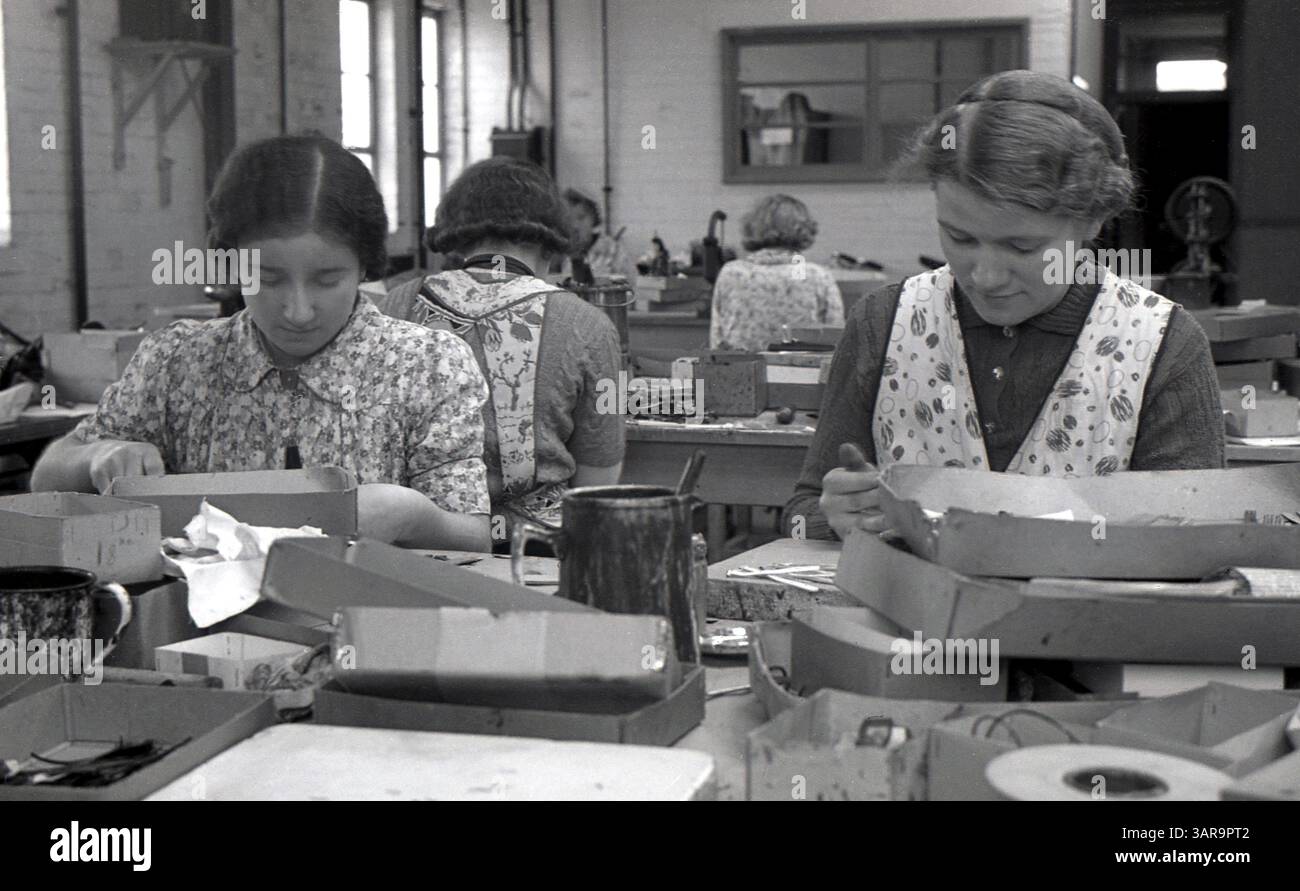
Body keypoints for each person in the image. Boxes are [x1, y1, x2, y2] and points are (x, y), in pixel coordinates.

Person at [784, 70, 1224, 542]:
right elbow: (802, 510)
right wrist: (834, 514)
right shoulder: (883, 324)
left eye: (1021, 247)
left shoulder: (1161, 344)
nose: (986, 276)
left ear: (1094, 219)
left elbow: (1202, 543)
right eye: (960, 237)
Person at [32, 135, 492, 551]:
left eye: (327, 279)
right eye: (267, 278)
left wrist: (411, 515)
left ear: (365, 266)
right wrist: (100, 455)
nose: (298, 310)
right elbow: (45, 478)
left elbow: (474, 539)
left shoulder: (427, 366)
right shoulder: (178, 361)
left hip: (370, 628)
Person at [381, 158, 625, 534]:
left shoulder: (398, 303)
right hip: (533, 553)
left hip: (409, 541)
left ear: (458, 234)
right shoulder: (589, 325)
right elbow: (598, 481)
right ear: (551, 240)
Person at [709, 194, 844, 351]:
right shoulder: (817, 276)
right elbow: (837, 341)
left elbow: (717, 341)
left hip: (741, 370)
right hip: (803, 372)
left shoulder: (731, 273)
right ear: (804, 229)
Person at [562, 188, 638, 283]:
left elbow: (632, 285)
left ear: (593, 218)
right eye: (569, 219)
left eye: (581, 217)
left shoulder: (614, 251)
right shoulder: (568, 258)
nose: (575, 226)